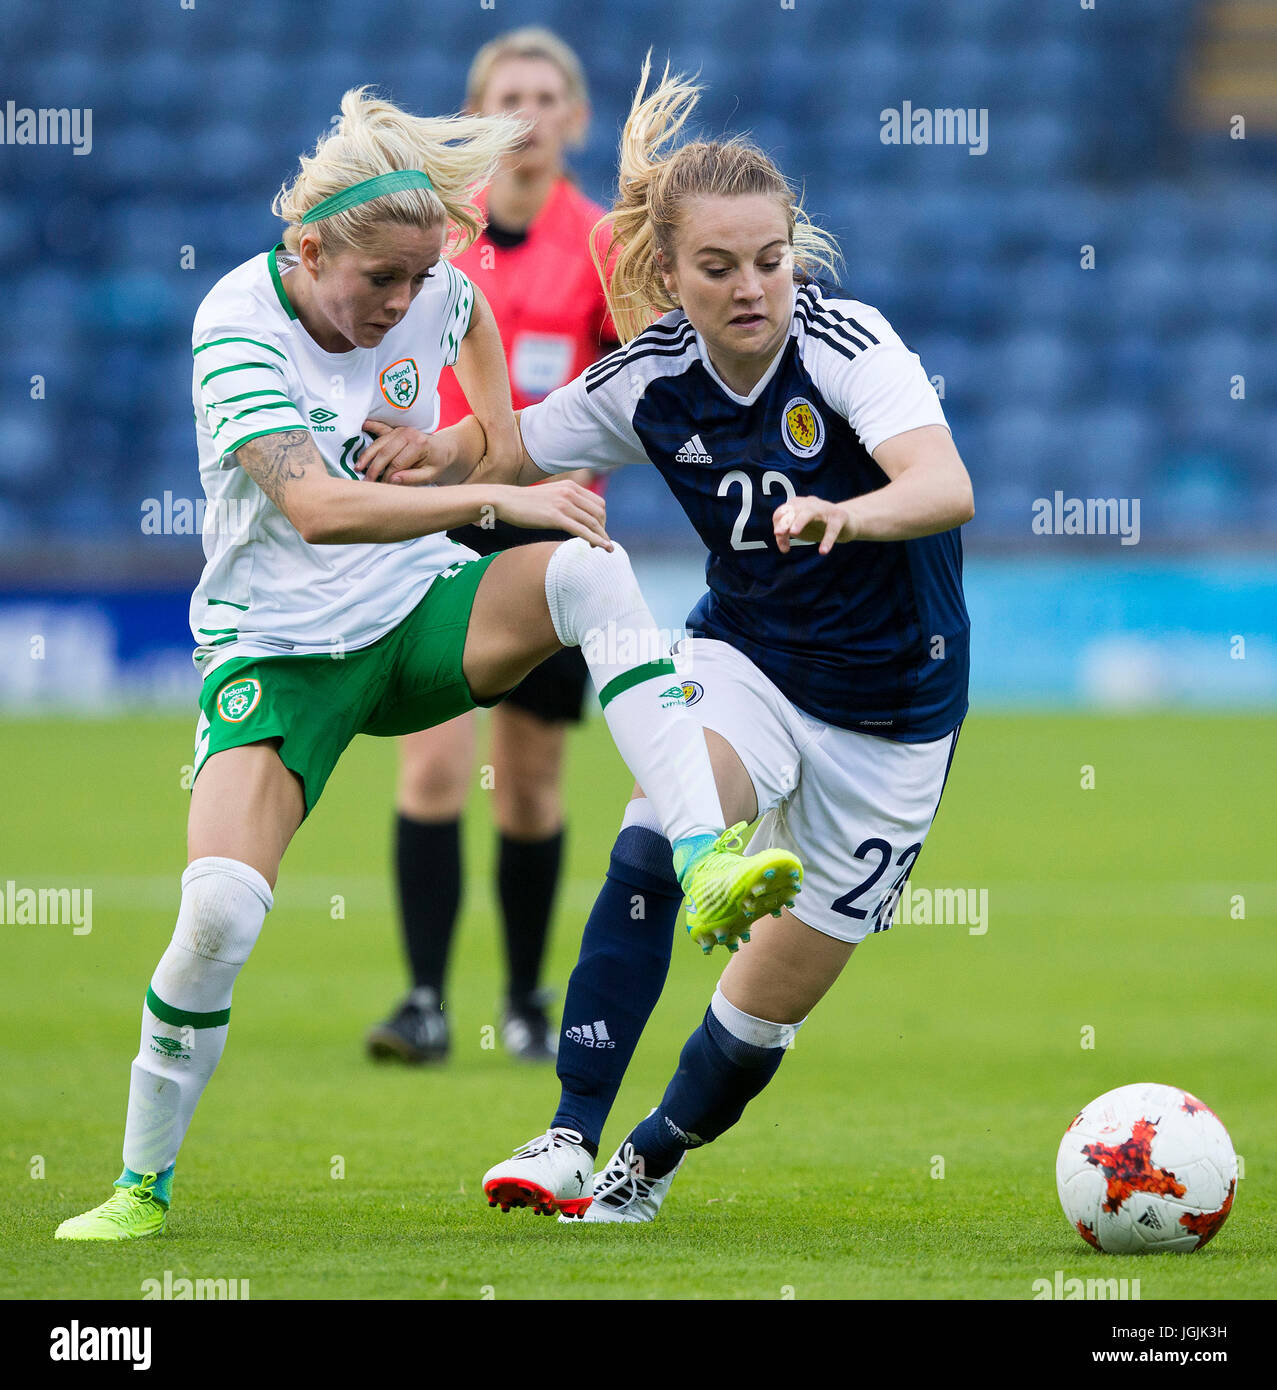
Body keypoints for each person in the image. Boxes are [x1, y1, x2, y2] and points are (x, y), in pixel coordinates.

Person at [52, 85, 803, 1241]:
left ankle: (702, 850)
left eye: (417, 280)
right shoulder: (234, 323)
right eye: (379, 283)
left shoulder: (436, 288)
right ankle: (140, 1185)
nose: (404, 301)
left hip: (415, 614)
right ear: (308, 249)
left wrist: (474, 442)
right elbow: (311, 504)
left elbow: (487, 382)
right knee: (216, 915)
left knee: (586, 568)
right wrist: (494, 488)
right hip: (281, 652)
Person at [363, 55, 973, 1219]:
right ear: (664, 271)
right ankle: (562, 1136)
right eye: (717, 266)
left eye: (769, 258)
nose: (752, 287)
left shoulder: (849, 347)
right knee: (657, 835)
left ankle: (643, 1162)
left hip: (896, 719)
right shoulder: (646, 383)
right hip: (749, 663)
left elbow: (943, 484)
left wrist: (847, 511)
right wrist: (431, 454)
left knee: (755, 1019)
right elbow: (508, 446)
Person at [368, 28, 620, 1068]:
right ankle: (423, 1000)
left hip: (548, 528)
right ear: (475, 123)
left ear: (574, 118)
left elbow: (641, 388)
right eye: (503, 99)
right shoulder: (433, 245)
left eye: (543, 97)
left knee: (527, 781)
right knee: (431, 767)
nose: (525, 116)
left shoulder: (605, 247)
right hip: (438, 520)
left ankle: (523, 1000)